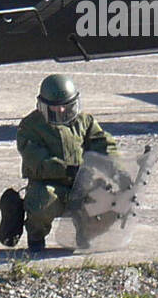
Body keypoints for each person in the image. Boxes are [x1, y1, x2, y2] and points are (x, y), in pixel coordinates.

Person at [15, 73, 118, 253]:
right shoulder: (30, 126)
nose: (61, 111)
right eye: (55, 108)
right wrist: (67, 170)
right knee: (43, 200)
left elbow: (103, 143)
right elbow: (37, 161)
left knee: (111, 198)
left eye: (66, 106)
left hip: (81, 183)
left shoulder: (84, 121)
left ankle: (86, 233)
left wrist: (116, 167)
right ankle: (36, 234)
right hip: (48, 184)